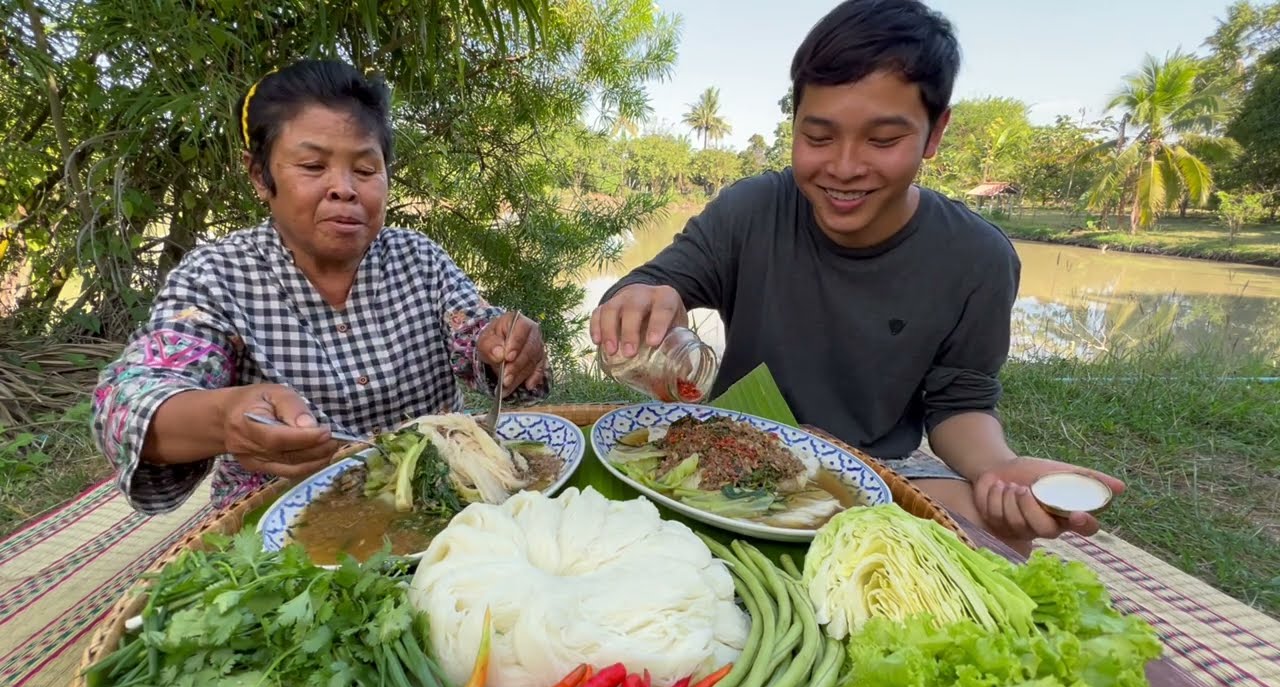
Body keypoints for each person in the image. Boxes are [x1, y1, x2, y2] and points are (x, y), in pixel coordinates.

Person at [590, 0, 1123, 555]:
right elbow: (657, 281)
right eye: (818, 137)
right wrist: (639, 301)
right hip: (734, 448)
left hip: (880, 466)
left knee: (1001, 537)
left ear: (935, 133)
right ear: (794, 124)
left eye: (883, 140)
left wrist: (998, 468)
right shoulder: (751, 211)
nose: (844, 168)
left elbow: (960, 402)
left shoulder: (979, 258)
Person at [92, 59, 551, 514]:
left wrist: (504, 346)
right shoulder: (217, 277)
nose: (344, 189)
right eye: (313, 166)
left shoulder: (420, 259)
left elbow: (475, 334)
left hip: (445, 503)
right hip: (286, 523)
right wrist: (226, 417)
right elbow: (127, 403)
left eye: (366, 170)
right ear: (260, 175)